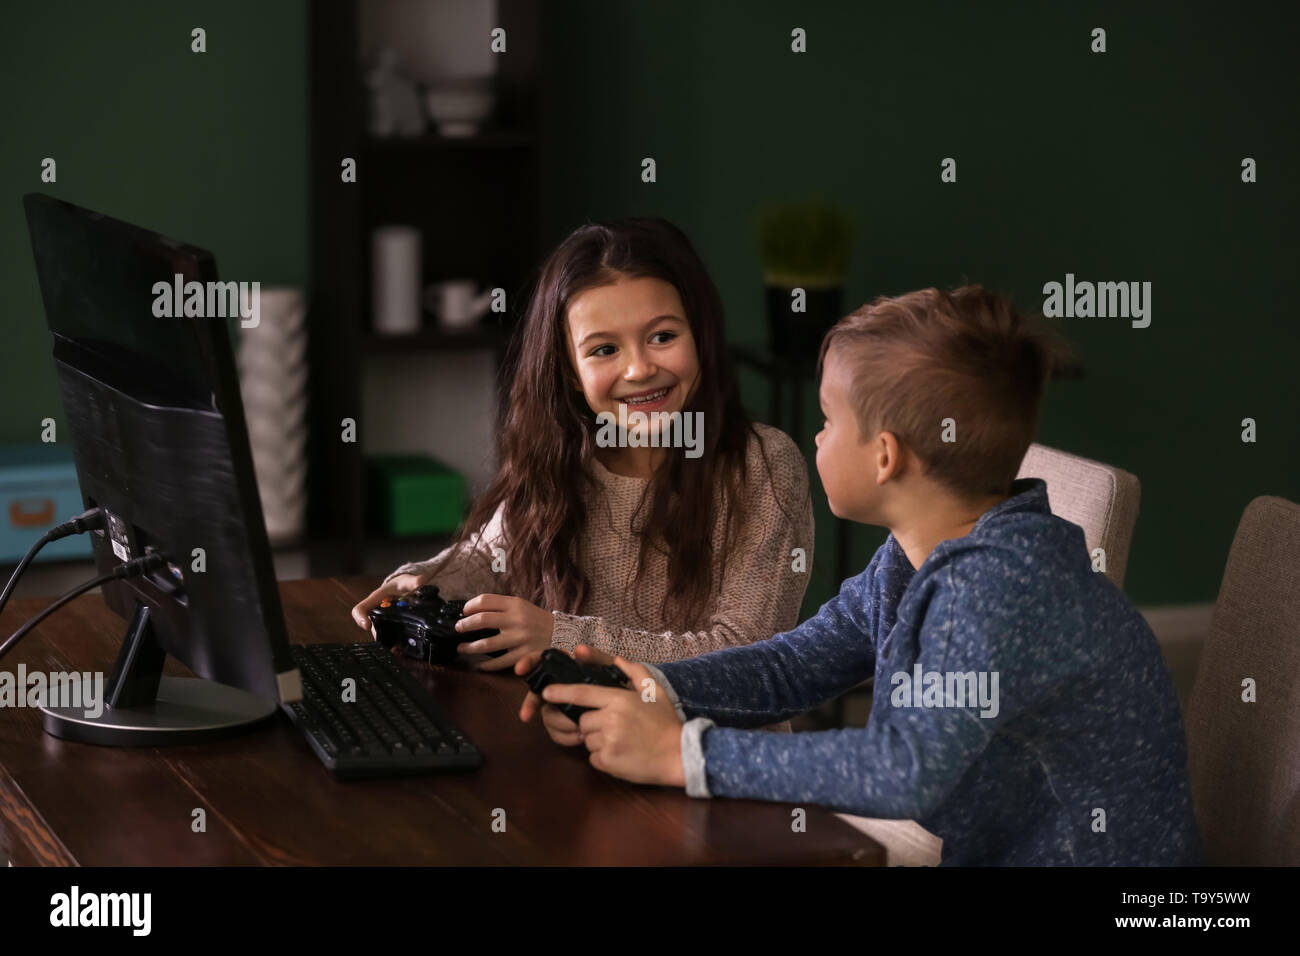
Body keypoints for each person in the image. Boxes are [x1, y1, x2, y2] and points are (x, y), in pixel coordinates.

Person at [520, 285, 1202, 866]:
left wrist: (681, 756)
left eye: (826, 420)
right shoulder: (920, 553)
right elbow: (799, 665)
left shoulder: (994, 588)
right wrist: (649, 688)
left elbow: (904, 769)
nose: (815, 439)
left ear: (884, 457)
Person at [351, 217, 813, 681]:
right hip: (575, 736)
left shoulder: (764, 465)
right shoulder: (564, 457)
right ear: (571, 371)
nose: (638, 369)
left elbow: (746, 660)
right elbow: (488, 557)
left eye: (662, 337)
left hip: (706, 751)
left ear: (701, 336)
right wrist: (424, 582)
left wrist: (560, 636)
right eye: (604, 349)